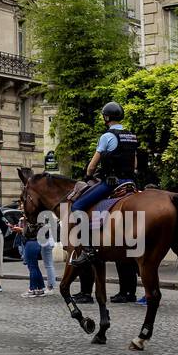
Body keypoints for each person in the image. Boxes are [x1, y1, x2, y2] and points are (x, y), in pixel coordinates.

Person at [69, 102, 139, 264]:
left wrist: (88, 175)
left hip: (112, 183)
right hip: (130, 182)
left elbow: (92, 165)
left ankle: (87, 249)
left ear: (106, 117)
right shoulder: (131, 136)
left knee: (77, 207)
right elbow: (134, 164)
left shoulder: (107, 136)